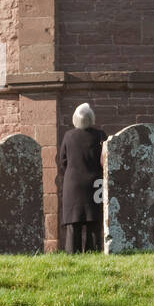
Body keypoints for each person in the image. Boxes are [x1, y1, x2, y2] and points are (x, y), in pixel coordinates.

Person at [58, 103, 106, 254]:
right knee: (94, 222)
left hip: (73, 184)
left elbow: (62, 161)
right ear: (92, 118)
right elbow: (105, 159)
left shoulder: (68, 136)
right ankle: (93, 253)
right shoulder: (100, 135)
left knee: (73, 224)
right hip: (95, 183)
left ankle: (72, 254)